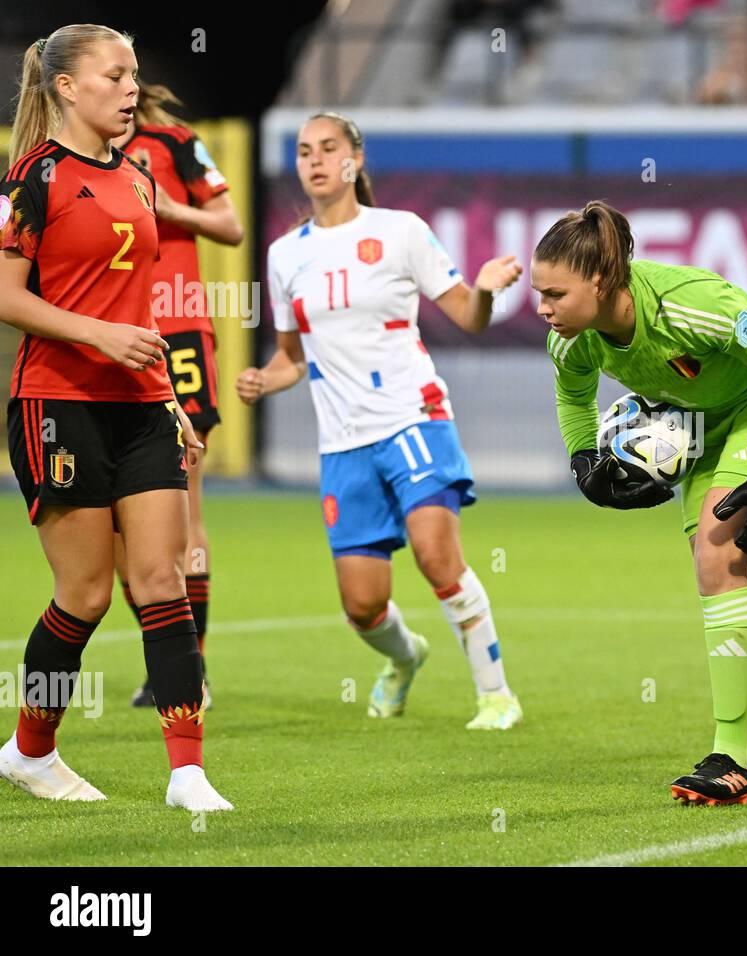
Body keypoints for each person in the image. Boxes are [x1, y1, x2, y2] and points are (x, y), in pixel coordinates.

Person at [535, 200, 747, 805]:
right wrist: (584, 462)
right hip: (705, 429)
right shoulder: (574, 340)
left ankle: (731, 760)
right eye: (540, 293)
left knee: (717, 563)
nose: (543, 309)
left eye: (555, 294)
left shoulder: (687, 303)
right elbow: (573, 396)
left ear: (601, 280)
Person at [0, 24, 230, 810]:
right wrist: (97, 335)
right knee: (86, 595)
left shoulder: (137, 176)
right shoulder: (34, 176)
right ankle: (31, 749)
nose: (132, 88)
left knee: (162, 576)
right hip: (57, 405)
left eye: (135, 73)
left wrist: (172, 401)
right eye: (114, 74)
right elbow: (4, 294)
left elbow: (137, 311)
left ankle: (188, 773)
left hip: (142, 409)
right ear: (66, 86)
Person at [239, 112, 524, 728]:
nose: (314, 160)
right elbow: (292, 358)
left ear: (354, 160)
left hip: (413, 417)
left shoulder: (401, 232)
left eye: (328, 148)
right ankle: (404, 657)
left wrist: (484, 289)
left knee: (435, 557)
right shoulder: (286, 255)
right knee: (362, 605)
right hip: (343, 444)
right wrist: (265, 379)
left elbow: (469, 317)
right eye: (304, 151)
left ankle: (496, 695)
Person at [109, 79, 244, 709]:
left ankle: (196, 670)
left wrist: (168, 207)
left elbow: (230, 226)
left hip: (178, 331)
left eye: (125, 78)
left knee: (182, 496)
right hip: (106, 336)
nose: (122, 92)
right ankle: (166, 651)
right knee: (111, 520)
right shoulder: (66, 158)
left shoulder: (176, 143)